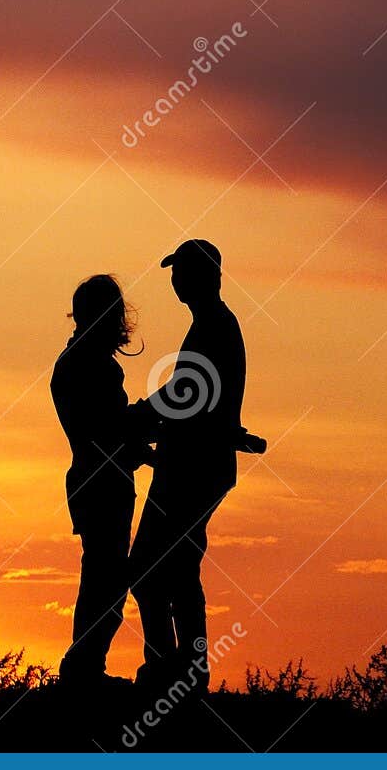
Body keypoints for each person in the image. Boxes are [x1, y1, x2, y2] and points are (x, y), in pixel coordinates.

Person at [128, 239, 246, 695]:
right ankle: (184, 674)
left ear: (209, 277)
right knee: (176, 570)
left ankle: (172, 672)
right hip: (196, 465)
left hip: (192, 470)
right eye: (175, 272)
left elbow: (185, 394)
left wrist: (137, 415)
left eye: (183, 272)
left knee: (150, 570)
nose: (175, 281)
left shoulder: (214, 326)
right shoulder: (212, 325)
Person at [49, 274, 149, 687]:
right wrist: (148, 421)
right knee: (106, 581)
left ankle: (86, 667)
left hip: (94, 480)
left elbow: (106, 430)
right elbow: (107, 428)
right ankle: (83, 669)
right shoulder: (92, 367)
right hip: (101, 483)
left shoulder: (75, 362)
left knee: (102, 578)